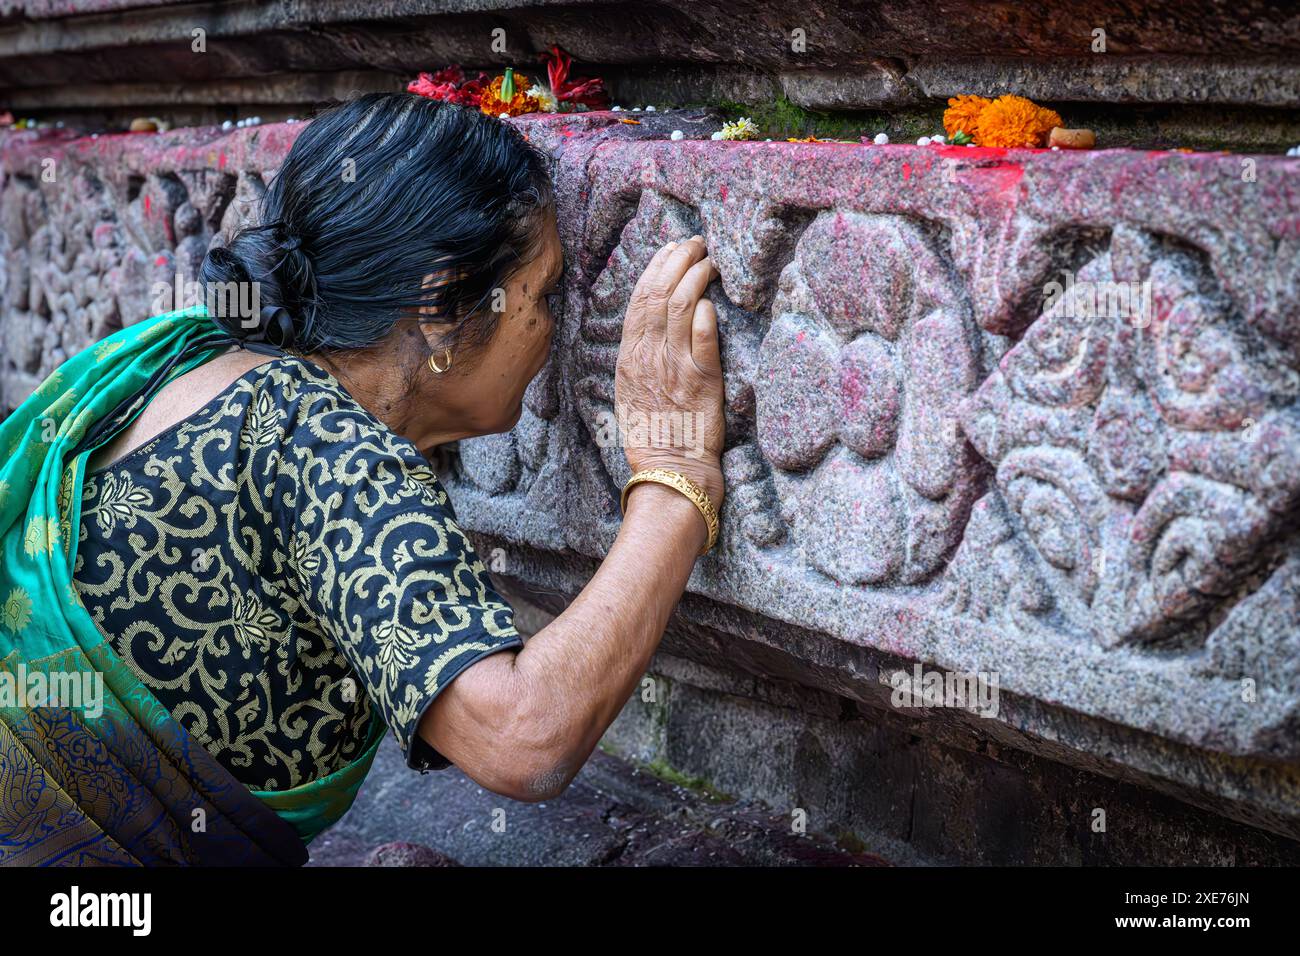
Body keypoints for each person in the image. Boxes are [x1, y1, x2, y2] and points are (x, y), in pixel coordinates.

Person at [0, 92, 724, 865]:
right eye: (543, 295)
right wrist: (674, 484)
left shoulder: (190, 355)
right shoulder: (327, 445)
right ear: (444, 308)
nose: (553, 327)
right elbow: (523, 737)